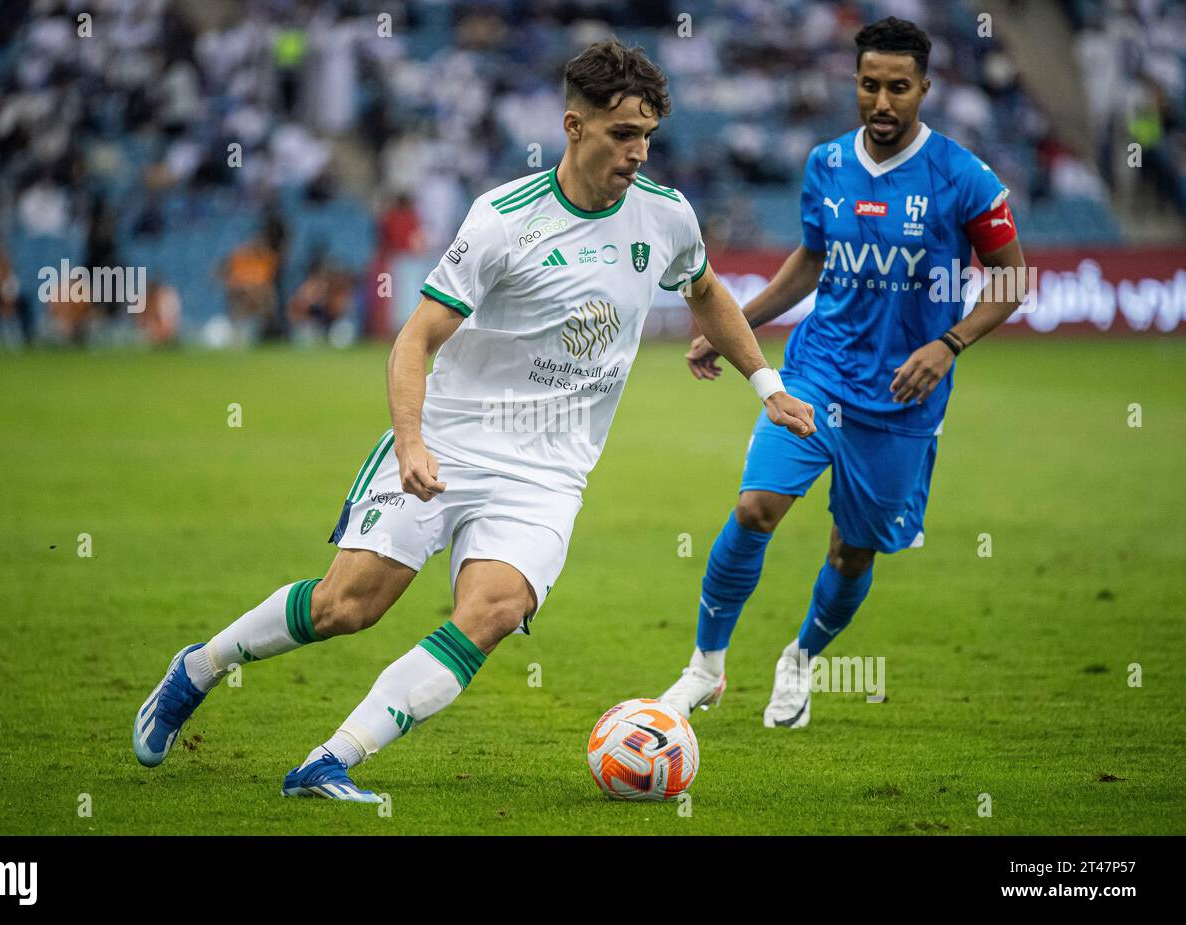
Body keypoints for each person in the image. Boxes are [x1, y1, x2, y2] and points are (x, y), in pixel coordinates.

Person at [133, 38, 816, 800]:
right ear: (573, 126)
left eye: (648, 135)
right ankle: (199, 666)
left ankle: (330, 760)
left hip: (550, 472)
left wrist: (766, 382)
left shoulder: (665, 215)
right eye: (623, 134)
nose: (638, 151)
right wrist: (414, 443)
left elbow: (706, 290)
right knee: (345, 606)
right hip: (451, 440)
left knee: (492, 611)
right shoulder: (502, 219)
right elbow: (414, 339)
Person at [657, 17, 1030, 729]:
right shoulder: (826, 163)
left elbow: (1013, 279)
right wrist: (734, 324)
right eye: (868, 85)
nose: (882, 102)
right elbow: (812, 258)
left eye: (898, 87)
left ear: (925, 87)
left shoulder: (963, 177)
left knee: (852, 550)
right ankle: (704, 668)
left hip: (902, 399)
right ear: (853, 84)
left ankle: (799, 658)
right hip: (818, 371)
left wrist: (949, 343)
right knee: (753, 508)